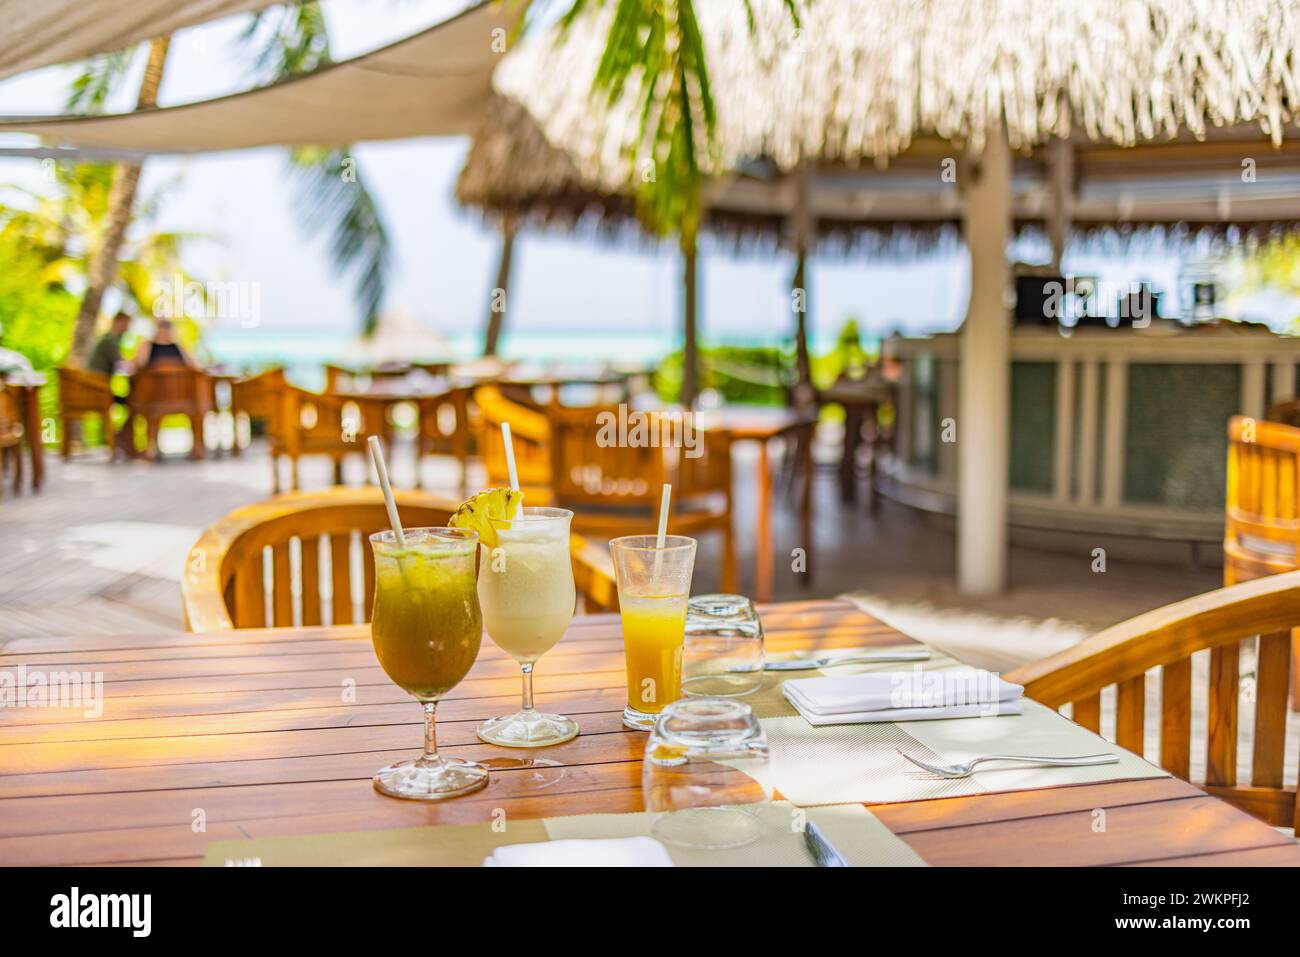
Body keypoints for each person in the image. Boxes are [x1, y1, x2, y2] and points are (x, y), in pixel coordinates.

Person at [87, 312, 131, 376]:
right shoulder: (109, 341)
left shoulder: (107, 338)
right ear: (118, 321)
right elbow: (120, 365)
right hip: (95, 378)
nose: (127, 328)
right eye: (125, 323)